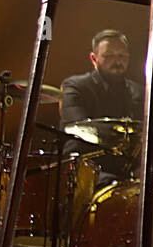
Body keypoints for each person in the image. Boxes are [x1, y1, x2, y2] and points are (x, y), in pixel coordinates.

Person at [60, 29, 143, 186]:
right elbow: (78, 128)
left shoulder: (138, 92)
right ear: (94, 58)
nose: (117, 61)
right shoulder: (75, 86)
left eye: (122, 56)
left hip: (126, 173)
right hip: (86, 171)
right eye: (109, 56)